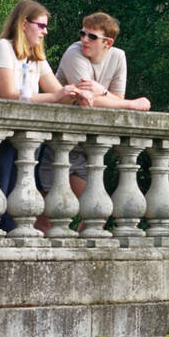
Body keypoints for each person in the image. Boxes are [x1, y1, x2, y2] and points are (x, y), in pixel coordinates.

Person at [0, 0, 91, 232]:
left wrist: (77, 94)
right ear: (24, 24)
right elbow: (9, 95)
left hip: (25, 139)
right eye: (41, 25)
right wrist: (57, 96)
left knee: (18, 205)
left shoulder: (36, 56)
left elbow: (57, 92)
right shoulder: (3, 47)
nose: (45, 31)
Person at [55, 12, 151, 199]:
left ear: (108, 43)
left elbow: (116, 99)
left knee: (97, 212)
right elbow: (88, 101)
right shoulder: (73, 54)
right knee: (47, 216)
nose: (84, 40)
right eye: (82, 33)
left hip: (88, 145)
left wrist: (103, 92)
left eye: (92, 36)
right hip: (58, 142)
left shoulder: (118, 57)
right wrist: (131, 104)